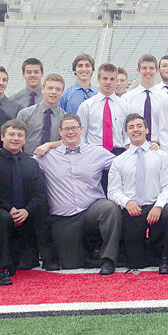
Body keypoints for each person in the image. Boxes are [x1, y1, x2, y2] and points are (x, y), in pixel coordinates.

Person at [34, 114, 120, 274]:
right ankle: (90, 253)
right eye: (66, 129)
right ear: (60, 132)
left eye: (74, 128)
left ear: (81, 129)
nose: (70, 132)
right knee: (71, 264)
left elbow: (123, 165)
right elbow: (25, 165)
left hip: (92, 210)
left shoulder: (97, 152)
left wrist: (147, 148)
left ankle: (108, 259)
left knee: (109, 208)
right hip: (64, 217)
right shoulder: (46, 156)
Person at [0, 119, 52, 284]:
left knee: (25, 264)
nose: (15, 138)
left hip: (23, 216)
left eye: (20, 135)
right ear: (2, 137)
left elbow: (40, 194)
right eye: (11, 134)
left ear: (25, 139)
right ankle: (0, 271)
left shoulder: (31, 163)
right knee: (3, 218)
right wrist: (9, 209)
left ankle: (48, 255)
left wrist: (27, 211)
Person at [107, 113, 168, 273]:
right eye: (131, 127)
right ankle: (148, 249)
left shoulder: (162, 156)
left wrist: (159, 206)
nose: (136, 130)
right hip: (132, 209)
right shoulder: (119, 161)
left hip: (156, 207)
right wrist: (127, 202)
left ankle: (166, 258)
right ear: (126, 132)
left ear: (147, 130)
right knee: (136, 263)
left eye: (139, 126)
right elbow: (113, 191)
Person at [77, 63, 131, 154]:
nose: (108, 82)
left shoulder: (125, 106)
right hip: (93, 152)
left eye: (112, 79)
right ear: (98, 80)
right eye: (105, 78)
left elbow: (127, 135)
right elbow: (82, 135)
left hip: (118, 151)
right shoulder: (86, 106)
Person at [123, 54, 168, 149]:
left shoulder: (165, 98)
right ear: (138, 70)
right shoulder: (127, 98)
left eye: (151, 68)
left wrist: (162, 147)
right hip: (134, 146)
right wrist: (128, 144)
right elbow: (124, 125)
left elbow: (167, 127)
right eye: (144, 68)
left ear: (157, 70)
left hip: (157, 147)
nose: (148, 71)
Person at [16, 73, 64, 154]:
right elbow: (16, 137)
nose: (54, 92)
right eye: (50, 88)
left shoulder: (64, 118)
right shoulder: (25, 114)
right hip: (28, 158)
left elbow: (67, 141)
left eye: (58, 89)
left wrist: (49, 145)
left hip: (54, 160)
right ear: (43, 89)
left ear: (62, 93)